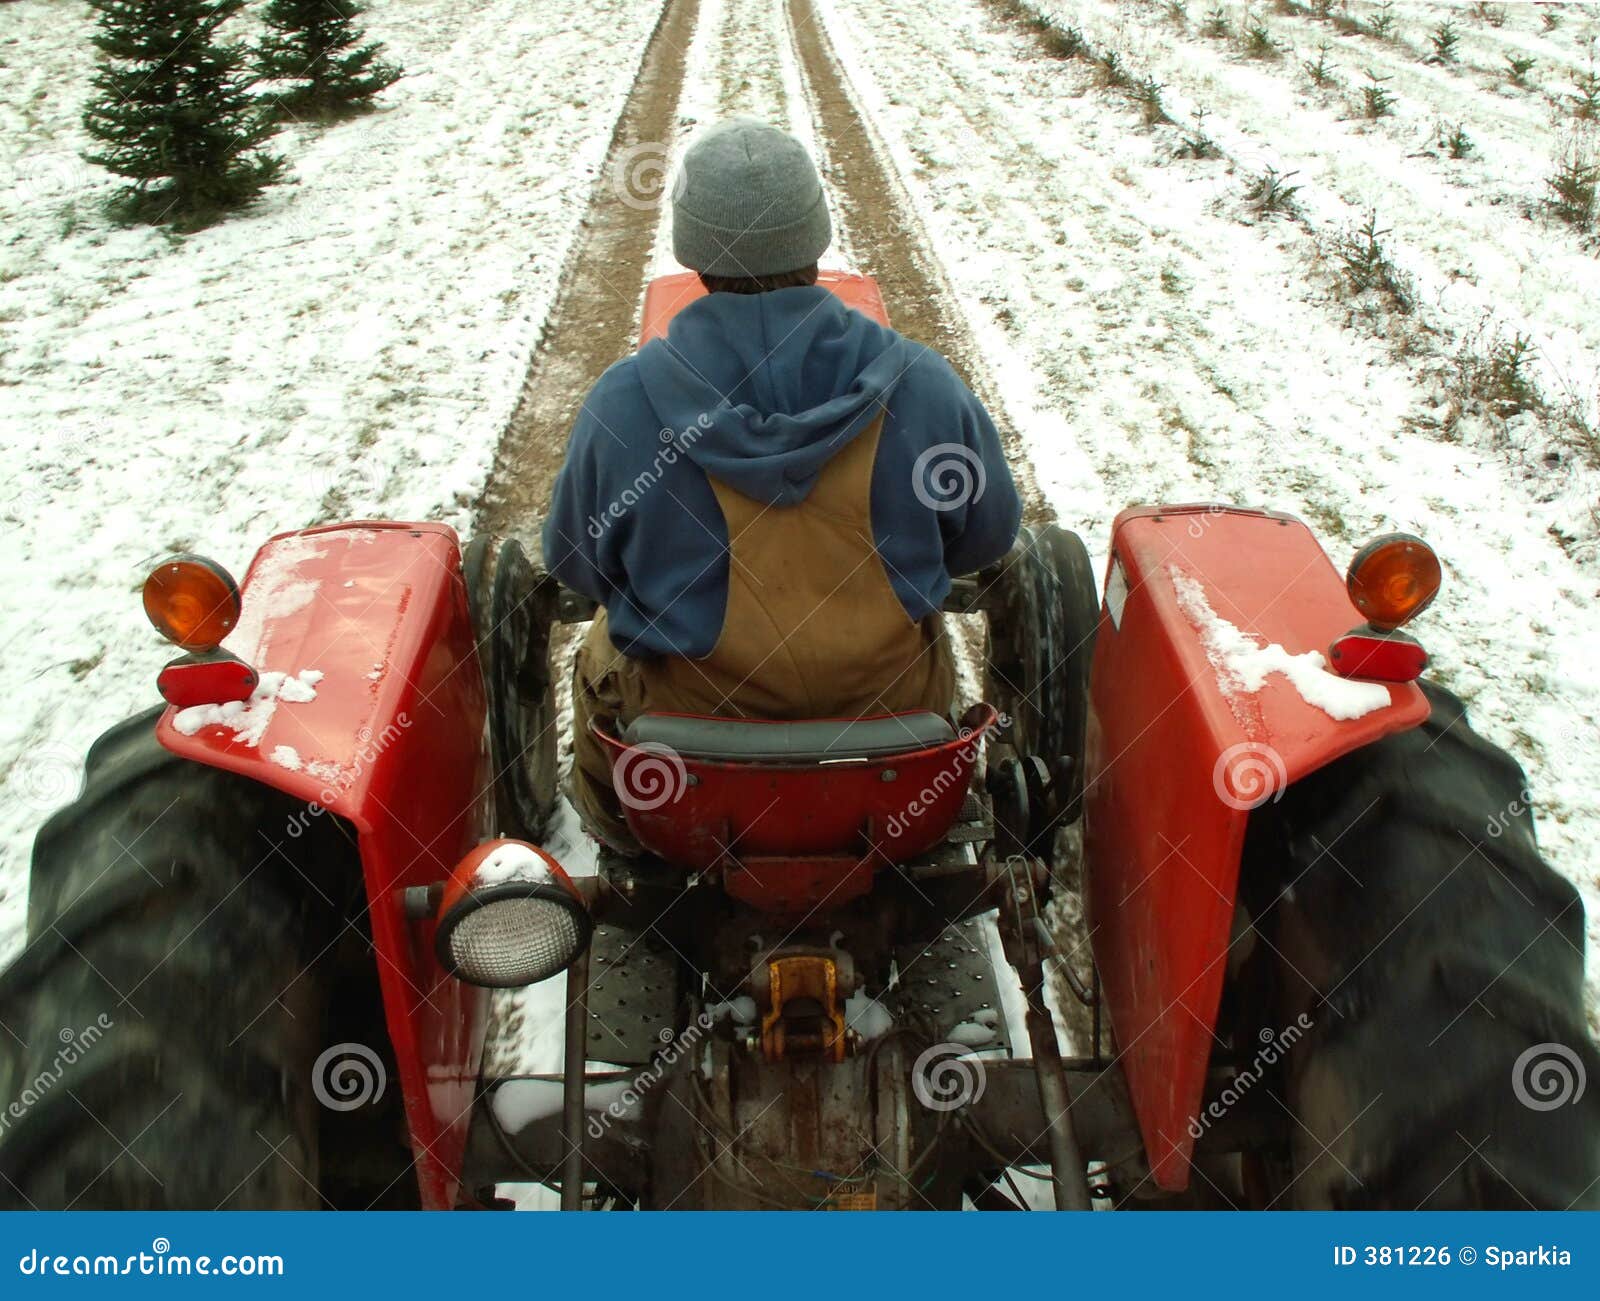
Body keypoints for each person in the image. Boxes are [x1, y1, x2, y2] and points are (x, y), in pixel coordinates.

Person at [543, 118, 1021, 849]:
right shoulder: (922, 385)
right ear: (815, 240)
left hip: (685, 770)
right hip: (894, 749)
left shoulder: (622, 403)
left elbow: (577, 565)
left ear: (693, 251)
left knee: (602, 649)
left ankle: (617, 835)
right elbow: (984, 539)